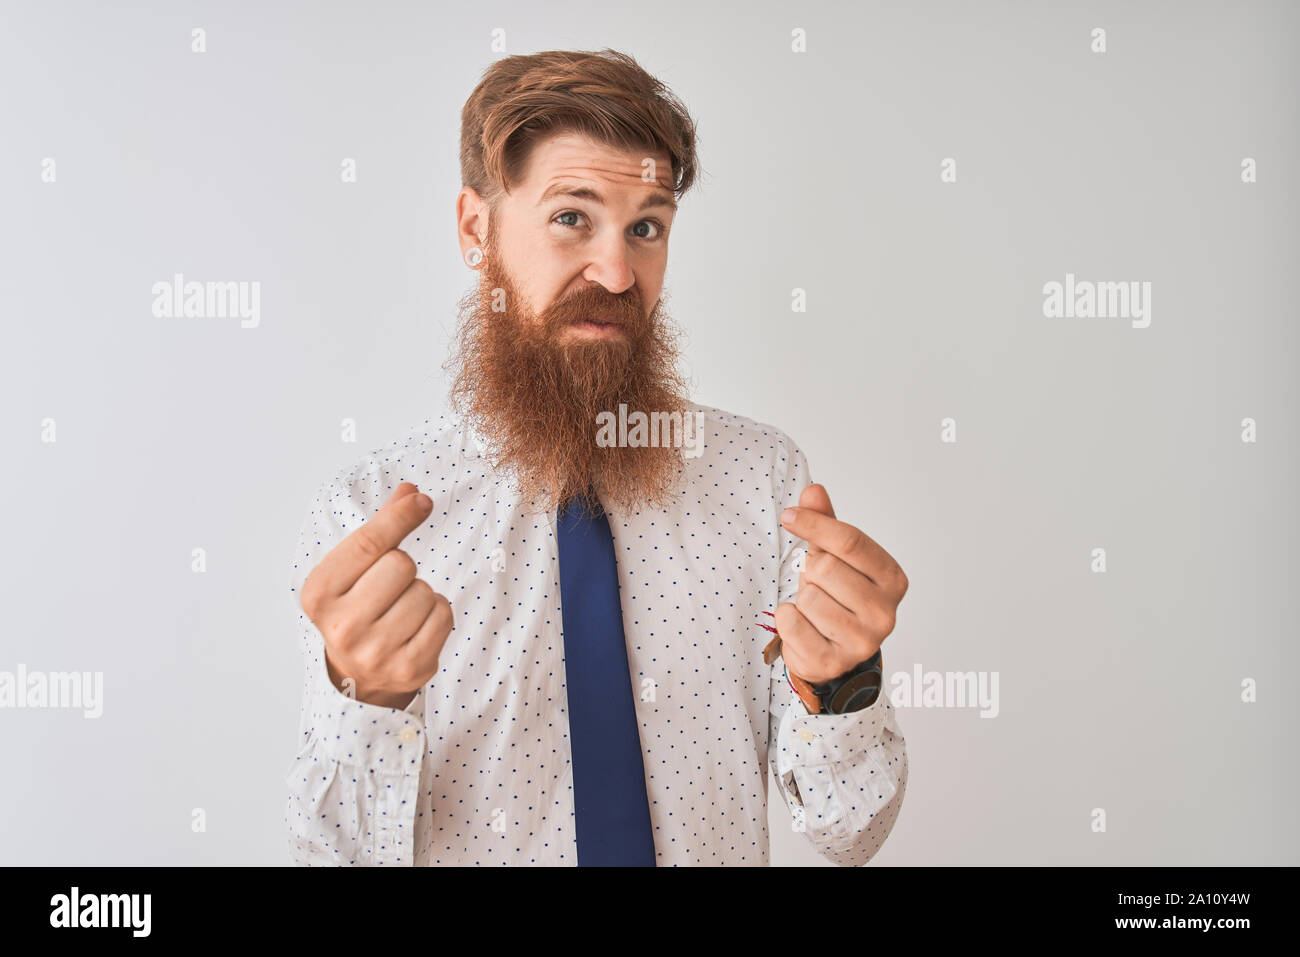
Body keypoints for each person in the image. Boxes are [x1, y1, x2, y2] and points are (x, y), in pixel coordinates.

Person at [285, 48, 909, 866]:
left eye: (645, 227)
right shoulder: (368, 520)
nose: (617, 272)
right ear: (478, 229)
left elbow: (849, 831)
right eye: (572, 217)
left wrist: (843, 684)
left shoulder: (762, 481)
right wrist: (364, 705)